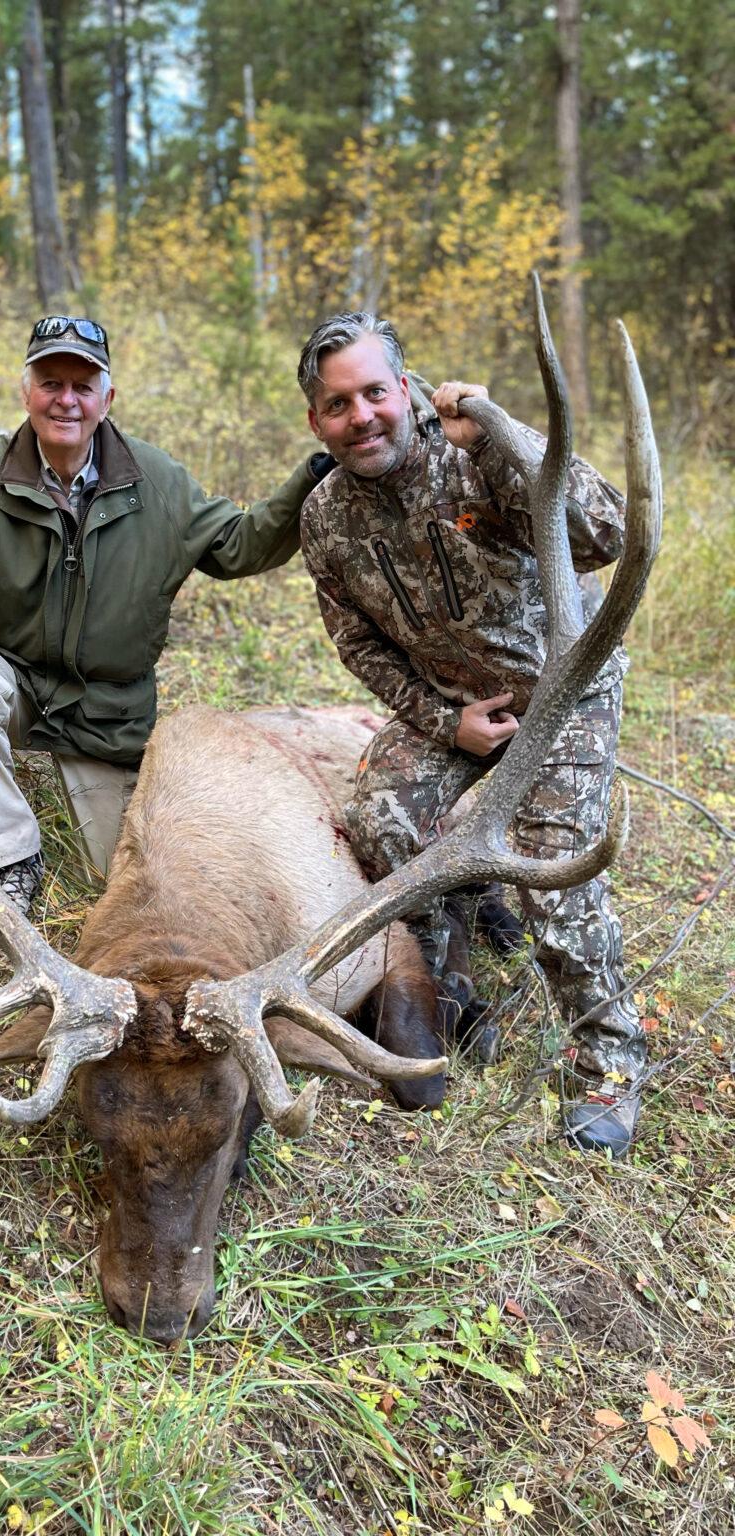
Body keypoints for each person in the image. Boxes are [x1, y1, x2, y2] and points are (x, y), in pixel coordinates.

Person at [295, 310, 647, 1156]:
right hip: (457, 708)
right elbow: (357, 644)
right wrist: (445, 722)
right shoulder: (325, 517)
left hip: (564, 693)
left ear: (405, 389)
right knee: (381, 819)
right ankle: (448, 982)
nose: (361, 417)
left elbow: (605, 532)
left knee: (553, 873)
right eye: (338, 404)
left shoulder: (473, 457)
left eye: (373, 393)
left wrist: (499, 441)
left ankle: (609, 1059)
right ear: (316, 421)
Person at [0, 314, 326, 913]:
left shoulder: (156, 480)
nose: (66, 400)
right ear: (26, 393)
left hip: (108, 719)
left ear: (107, 400)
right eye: (50, 383)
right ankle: (13, 857)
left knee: (121, 885)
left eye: (83, 387)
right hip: (19, 685)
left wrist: (310, 480)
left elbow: (238, 545)